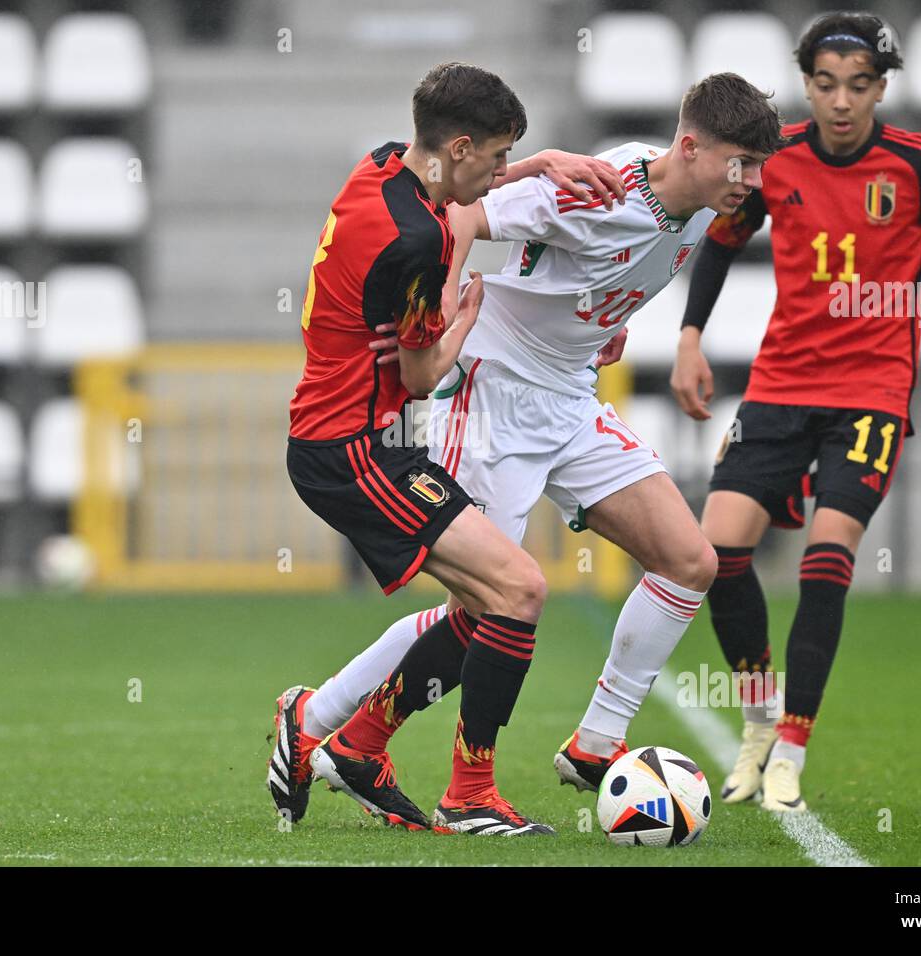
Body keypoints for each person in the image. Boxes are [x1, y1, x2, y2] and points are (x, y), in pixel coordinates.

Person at [277, 73, 783, 830]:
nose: (753, 181)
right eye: (741, 162)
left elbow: (593, 275)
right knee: (488, 603)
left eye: (760, 166)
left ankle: (595, 744)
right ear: (690, 147)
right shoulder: (599, 192)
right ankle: (353, 731)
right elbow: (461, 218)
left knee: (690, 561)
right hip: (497, 394)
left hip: (570, 399)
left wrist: (600, 325)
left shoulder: (700, 204)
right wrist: (444, 306)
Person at [275, 61, 627, 835]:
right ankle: (468, 795)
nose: (504, 173)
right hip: (356, 449)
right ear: (461, 147)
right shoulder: (417, 243)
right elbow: (425, 371)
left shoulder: (380, 168)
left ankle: (347, 740)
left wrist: (539, 163)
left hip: (357, 441)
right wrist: (469, 320)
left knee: (488, 601)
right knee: (521, 592)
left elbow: (455, 187)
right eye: (499, 157)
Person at [671, 14, 921, 812]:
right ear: (807, 85)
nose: (841, 101)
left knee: (828, 555)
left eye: (858, 85)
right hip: (781, 384)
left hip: (871, 392)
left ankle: (791, 746)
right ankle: (757, 720)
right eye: (825, 84)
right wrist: (689, 339)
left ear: (881, 86)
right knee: (716, 552)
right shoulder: (777, 158)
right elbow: (719, 239)